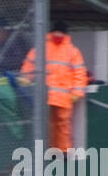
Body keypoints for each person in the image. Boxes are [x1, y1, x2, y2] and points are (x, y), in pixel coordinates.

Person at [21, 20, 87, 152]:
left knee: (62, 124)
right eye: (56, 32)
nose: (58, 35)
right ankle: (49, 150)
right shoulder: (42, 48)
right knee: (49, 124)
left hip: (62, 97)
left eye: (60, 33)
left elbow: (79, 73)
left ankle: (62, 151)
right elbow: (29, 65)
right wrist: (26, 78)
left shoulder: (71, 51)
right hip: (46, 95)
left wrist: (77, 92)